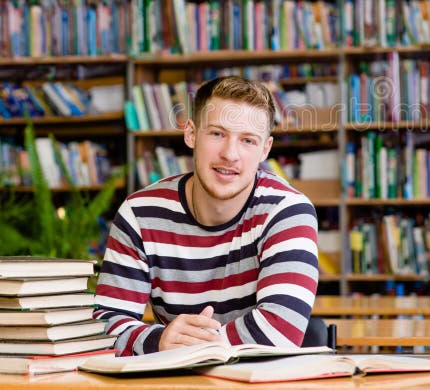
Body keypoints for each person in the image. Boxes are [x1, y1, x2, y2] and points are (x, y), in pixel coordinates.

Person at [94, 76, 319, 356]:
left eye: (248, 140)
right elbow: (104, 326)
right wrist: (161, 340)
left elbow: (280, 329)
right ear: (191, 134)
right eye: (217, 134)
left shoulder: (288, 212)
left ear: (265, 149)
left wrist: (184, 346)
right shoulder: (139, 215)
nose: (230, 154)